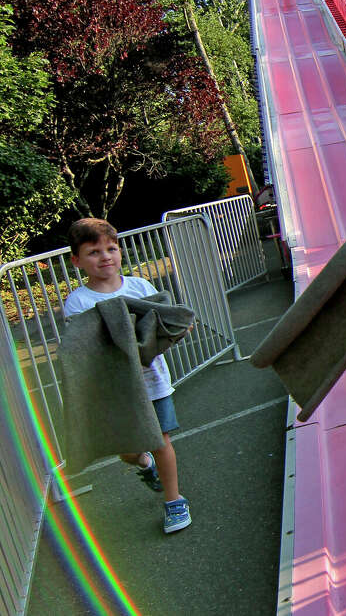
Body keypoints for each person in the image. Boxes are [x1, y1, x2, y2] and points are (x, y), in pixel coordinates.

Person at [63, 218, 192, 534]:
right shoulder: (78, 302)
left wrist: (178, 329)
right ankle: (145, 464)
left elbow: (161, 324)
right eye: (94, 252)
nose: (105, 257)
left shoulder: (140, 288)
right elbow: (85, 349)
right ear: (76, 260)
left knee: (160, 440)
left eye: (111, 248)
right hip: (116, 390)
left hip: (152, 382)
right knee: (126, 448)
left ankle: (174, 501)